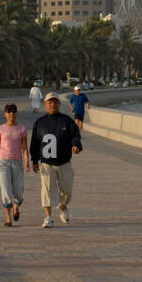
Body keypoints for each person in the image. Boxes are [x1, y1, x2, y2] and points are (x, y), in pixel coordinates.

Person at [29, 90, 82, 228]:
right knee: (46, 190)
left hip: (64, 162)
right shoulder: (40, 123)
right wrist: (34, 160)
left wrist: (76, 145)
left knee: (67, 190)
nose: (52, 104)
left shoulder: (67, 121)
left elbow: (76, 135)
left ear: (59, 104)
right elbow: (34, 143)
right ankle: (48, 218)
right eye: (49, 102)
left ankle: (63, 206)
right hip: (46, 164)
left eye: (55, 102)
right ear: (45, 105)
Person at [0, 103, 30, 226]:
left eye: (13, 111)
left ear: (17, 113)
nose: (11, 113)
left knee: (18, 192)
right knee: (6, 190)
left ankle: (16, 206)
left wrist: (27, 162)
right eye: (9, 111)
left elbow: (25, 148)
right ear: (5, 114)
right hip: (2, 163)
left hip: (17, 162)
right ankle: (8, 218)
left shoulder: (21, 129)